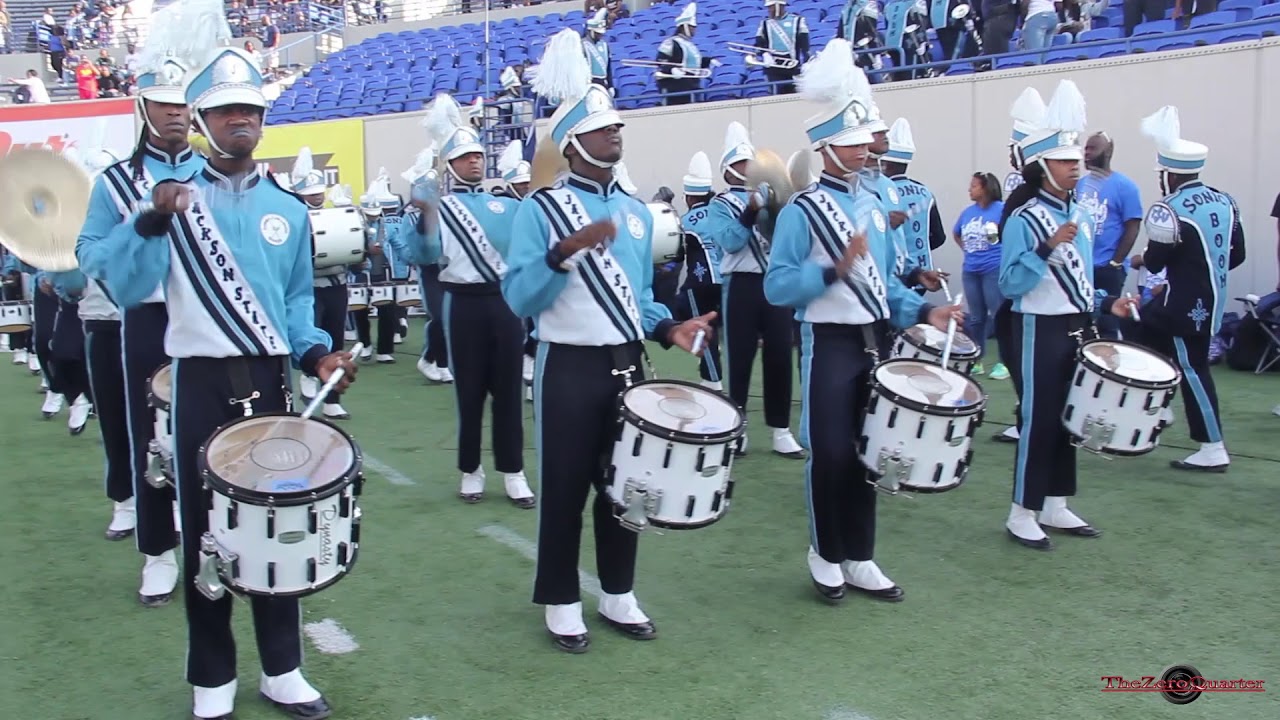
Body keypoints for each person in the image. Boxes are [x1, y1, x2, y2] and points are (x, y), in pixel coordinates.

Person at [91, 44, 355, 719]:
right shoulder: (178, 200)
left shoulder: (288, 209)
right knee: (206, 534)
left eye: (250, 109)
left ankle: (282, 669)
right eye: (224, 110)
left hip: (271, 384)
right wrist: (152, 218)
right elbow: (122, 284)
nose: (240, 119)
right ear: (203, 122)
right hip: (199, 383)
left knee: (281, 527)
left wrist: (318, 353)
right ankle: (211, 678)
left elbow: (297, 300)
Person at [500, 29, 714, 653]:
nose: (615, 135)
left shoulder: (639, 212)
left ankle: (618, 592)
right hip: (567, 365)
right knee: (565, 486)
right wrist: (563, 252)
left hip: (629, 365)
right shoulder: (540, 210)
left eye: (617, 127)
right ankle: (561, 598)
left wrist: (671, 327)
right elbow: (520, 300)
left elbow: (638, 297)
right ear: (573, 144)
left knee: (627, 486)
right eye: (601, 129)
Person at [764, 38, 964, 602]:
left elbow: (885, 289)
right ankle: (826, 553)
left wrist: (927, 310)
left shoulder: (875, 201)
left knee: (870, 450)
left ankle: (861, 555)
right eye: (850, 143)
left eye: (863, 141)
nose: (863, 150)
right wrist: (829, 274)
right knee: (829, 451)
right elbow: (779, 286)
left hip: (874, 341)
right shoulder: (803, 211)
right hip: (828, 342)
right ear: (825, 148)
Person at [75, 31, 203, 607]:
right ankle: (157, 552)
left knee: (212, 436)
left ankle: (214, 545)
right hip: (148, 318)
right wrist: (143, 223)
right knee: (149, 439)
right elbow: (90, 256)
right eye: (164, 103)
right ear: (143, 109)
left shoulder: (217, 172)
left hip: (213, 322)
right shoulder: (115, 182)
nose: (175, 112)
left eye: (183, 103)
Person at [996, 80, 1138, 551]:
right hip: (1038, 325)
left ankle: (1056, 503)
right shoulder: (1025, 218)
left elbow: (1076, 277)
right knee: (1038, 416)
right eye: (1064, 161)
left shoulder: (1079, 212)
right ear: (1042, 167)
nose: (1075, 166)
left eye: (1076, 160)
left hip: (1078, 322)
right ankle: (1022, 511)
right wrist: (1046, 247)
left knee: (1070, 415)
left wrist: (1104, 301)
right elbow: (1011, 284)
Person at [388, 92, 535, 508]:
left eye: (476, 156)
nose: (473, 162)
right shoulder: (442, 207)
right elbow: (425, 256)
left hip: (504, 303)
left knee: (508, 391)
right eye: (464, 157)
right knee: (468, 391)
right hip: (462, 304)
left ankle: (514, 471)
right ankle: (471, 469)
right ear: (449, 165)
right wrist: (428, 214)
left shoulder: (508, 205)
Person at [1127, 106, 1245, 472]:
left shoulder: (1169, 209)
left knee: (1192, 368)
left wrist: (1141, 259)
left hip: (1184, 302)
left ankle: (1211, 445)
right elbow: (1236, 255)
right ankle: (1160, 409)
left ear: (1169, 175)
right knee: (1145, 330)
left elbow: (1158, 262)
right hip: (1213, 297)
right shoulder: (1226, 201)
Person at [703, 121, 804, 457]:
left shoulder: (771, 197)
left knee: (779, 355)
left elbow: (785, 236)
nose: (749, 169)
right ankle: (737, 425)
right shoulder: (718, 205)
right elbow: (730, 242)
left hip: (772, 282)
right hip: (741, 284)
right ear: (729, 169)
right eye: (743, 164)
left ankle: (780, 429)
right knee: (740, 357)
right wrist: (750, 211)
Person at [292, 147, 352, 419]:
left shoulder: (335, 216)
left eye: (319, 191)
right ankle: (308, 377)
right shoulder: (295, 217)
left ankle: (332, 399)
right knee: (311, 334)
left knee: (336, 339)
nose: (317, 195)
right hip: (310, 287)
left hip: (336, 285)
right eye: (311, 191)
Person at [1075, 131, 1143, 340]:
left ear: (1109, 151)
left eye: (1093, 148)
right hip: (1081, 267)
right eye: (1085, 148)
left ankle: (1111, 369)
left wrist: (1115, 262)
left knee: (1106, 325)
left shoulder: (1125, 186)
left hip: (1107, 268)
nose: (1087, 153)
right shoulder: (1079, 185)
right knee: (1079, 323)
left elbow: (1132, 226)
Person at [674, 150, 724, 390]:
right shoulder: (721, 212)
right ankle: (714, 378)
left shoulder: (686, 221)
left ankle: (712, 382)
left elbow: (677, 255)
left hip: (700, 283)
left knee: (704, 333)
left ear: (689, 197)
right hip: (726, 281)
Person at [954, 172, 1008, 379]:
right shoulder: (968, 212)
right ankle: (977, 360)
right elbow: (956, 233)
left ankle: (1004, 363)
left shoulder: (1001, 211)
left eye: (974, 186)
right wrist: (968, 250)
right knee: (976, 318)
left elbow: (1009, 235)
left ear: (985, 188)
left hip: (993, 269)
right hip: (971, 270)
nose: (970, 189)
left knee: (998, 315)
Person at [880, 118, 946, 281]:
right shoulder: (925, 192)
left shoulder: (881, 192)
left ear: (887, 165)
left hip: (897, 274)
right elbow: (939, 237)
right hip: (925, 274)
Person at [655, 3, 716, 106]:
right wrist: (672, 69)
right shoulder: (671, 42)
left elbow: (694, 64)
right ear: (685, 27)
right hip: (675, 86)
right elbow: (660, 61)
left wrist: (708, 61)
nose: (694, 30)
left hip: (691, 83)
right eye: (692, 27)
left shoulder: (690, 45)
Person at [751, 0, 810, 94]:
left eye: (771, 7)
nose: (769, 10)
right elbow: (759, 44)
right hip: (773, 66)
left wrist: (805, 63)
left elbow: (805, 45)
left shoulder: (797, 21)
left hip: (793, 66)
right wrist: (765, 54)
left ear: (779, 6)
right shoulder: (765, 23)